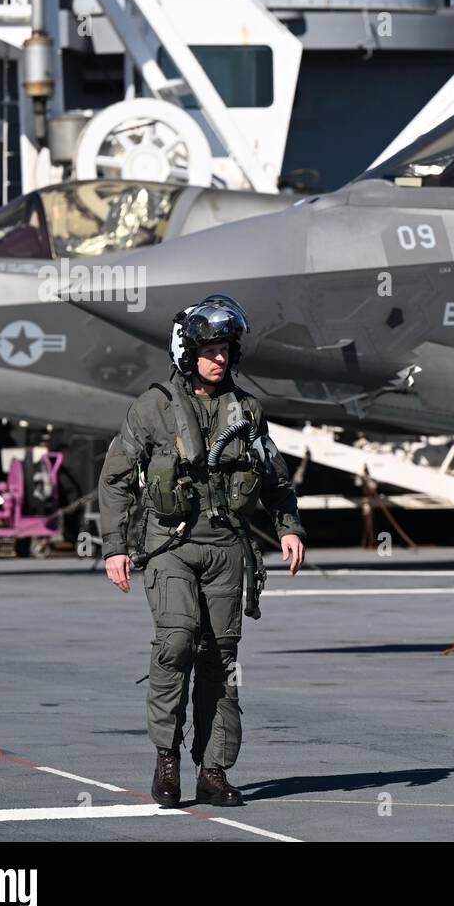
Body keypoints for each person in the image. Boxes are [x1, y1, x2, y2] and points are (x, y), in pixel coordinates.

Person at [98, 294, 307, 807]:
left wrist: (288, 527)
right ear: (188, 351)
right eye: (210, 348)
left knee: (221, 658)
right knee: (176, 642)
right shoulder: (154, 408)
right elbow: (116, 479)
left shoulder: (247, 412)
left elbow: (275, 478)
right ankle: (166, 759)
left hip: (227, 549)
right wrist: (114, 547)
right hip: (171, 545)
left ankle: (213, 770)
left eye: (226, 349)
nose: (220, 358)